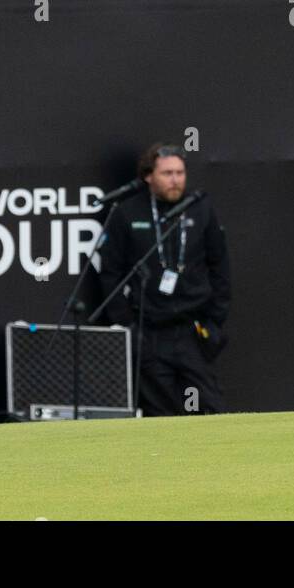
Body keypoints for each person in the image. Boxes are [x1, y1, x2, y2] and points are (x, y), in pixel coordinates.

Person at [97, 143, 231, 415]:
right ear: (148, 176)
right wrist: (128, 325)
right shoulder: (127, 212)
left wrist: (214, 318)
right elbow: (110, 272)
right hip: (150, 331)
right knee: (160, 413)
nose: (175, 180)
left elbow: (220, 265)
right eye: (167, 173)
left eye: (180, 173)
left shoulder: (199, 207)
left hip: (192, 329)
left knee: (212, 407)